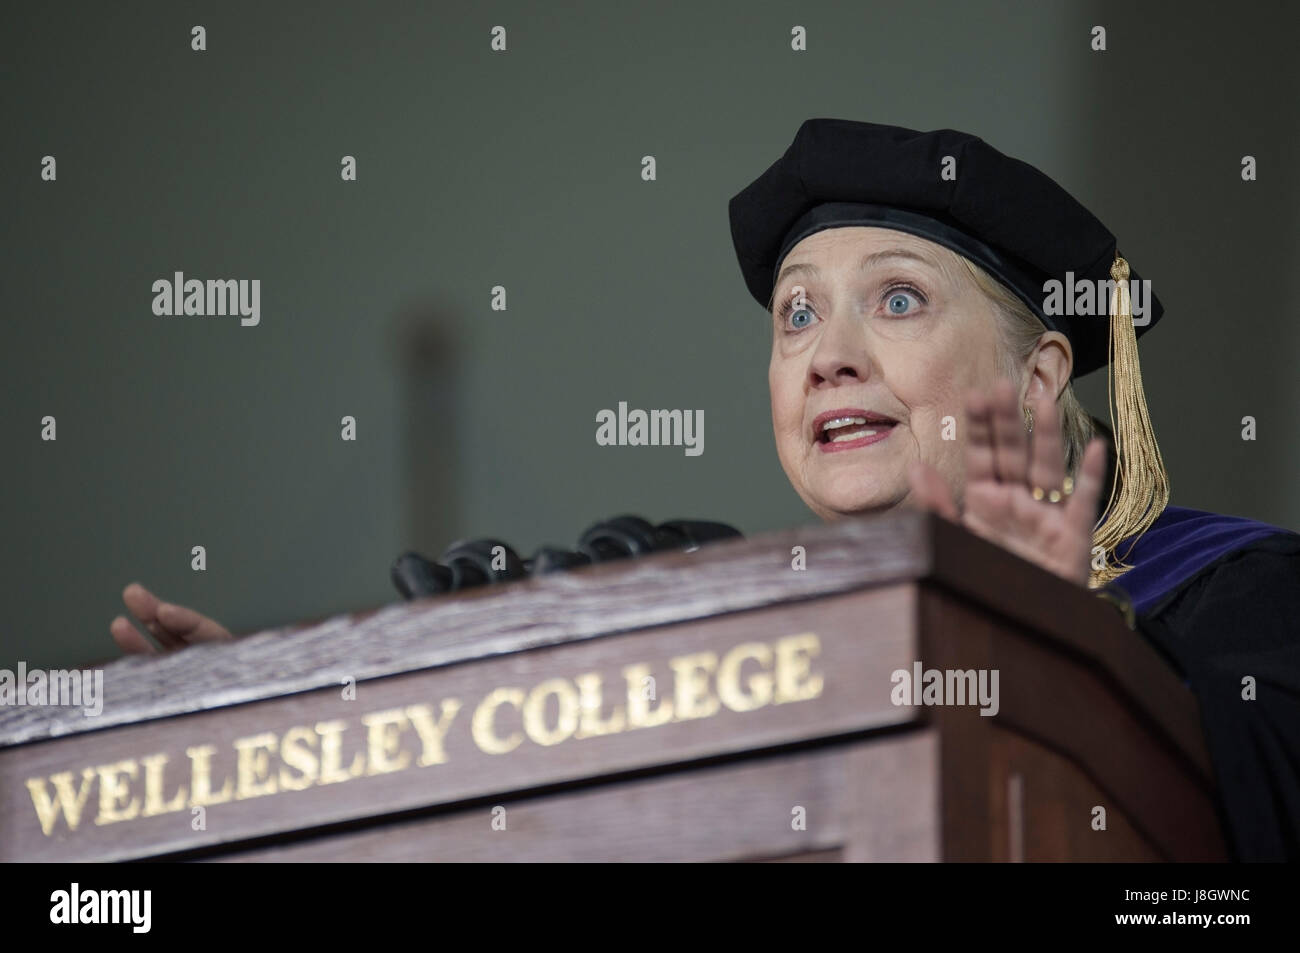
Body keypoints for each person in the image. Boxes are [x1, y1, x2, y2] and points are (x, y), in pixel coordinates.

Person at [110, 118, 1300, 862]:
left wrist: (1069, 652)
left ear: (1041, 380)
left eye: (894, 299)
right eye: (796, 313)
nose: (826, 351)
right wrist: (256, 736)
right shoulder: (729, 610)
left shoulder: (1241, 603)